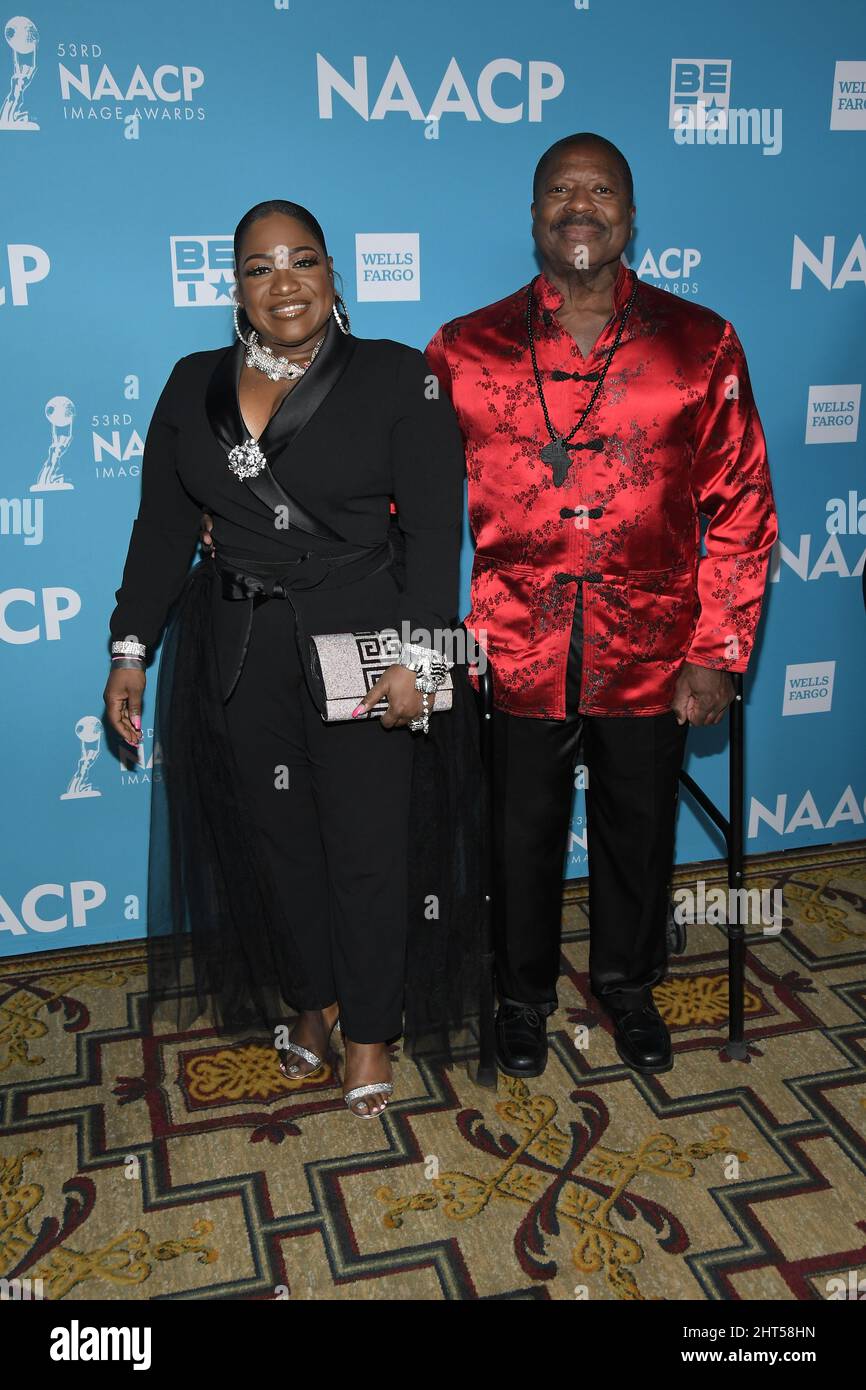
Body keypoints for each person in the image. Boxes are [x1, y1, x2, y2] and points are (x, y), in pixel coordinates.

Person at [104, 200, 480, 1118]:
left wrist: (424, 662)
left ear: (333, 274)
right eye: (260, 267)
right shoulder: (192, 383)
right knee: (279, 846)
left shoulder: (399, 378)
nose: (284, 284)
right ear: (234, 285)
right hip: (238, 644)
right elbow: (161, 530)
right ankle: (310, 1002)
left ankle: (370, 1031)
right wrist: (130, 649)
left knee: (367, 845)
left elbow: (435, 533)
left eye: (302, 261)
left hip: (364, 640)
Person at [424, 133, 779, 1077]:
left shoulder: (701, 341)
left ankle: (628, 981)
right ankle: (521, 995)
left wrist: (717, 650)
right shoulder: (464, 348)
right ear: (534, 213)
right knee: (518, 829)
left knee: (640, 821)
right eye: (559, 190)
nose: (579, 205)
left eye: (600, 190)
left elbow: (742, 504)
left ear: (630, 213)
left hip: (655, 643)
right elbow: (406, 505)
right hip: (513, 642)